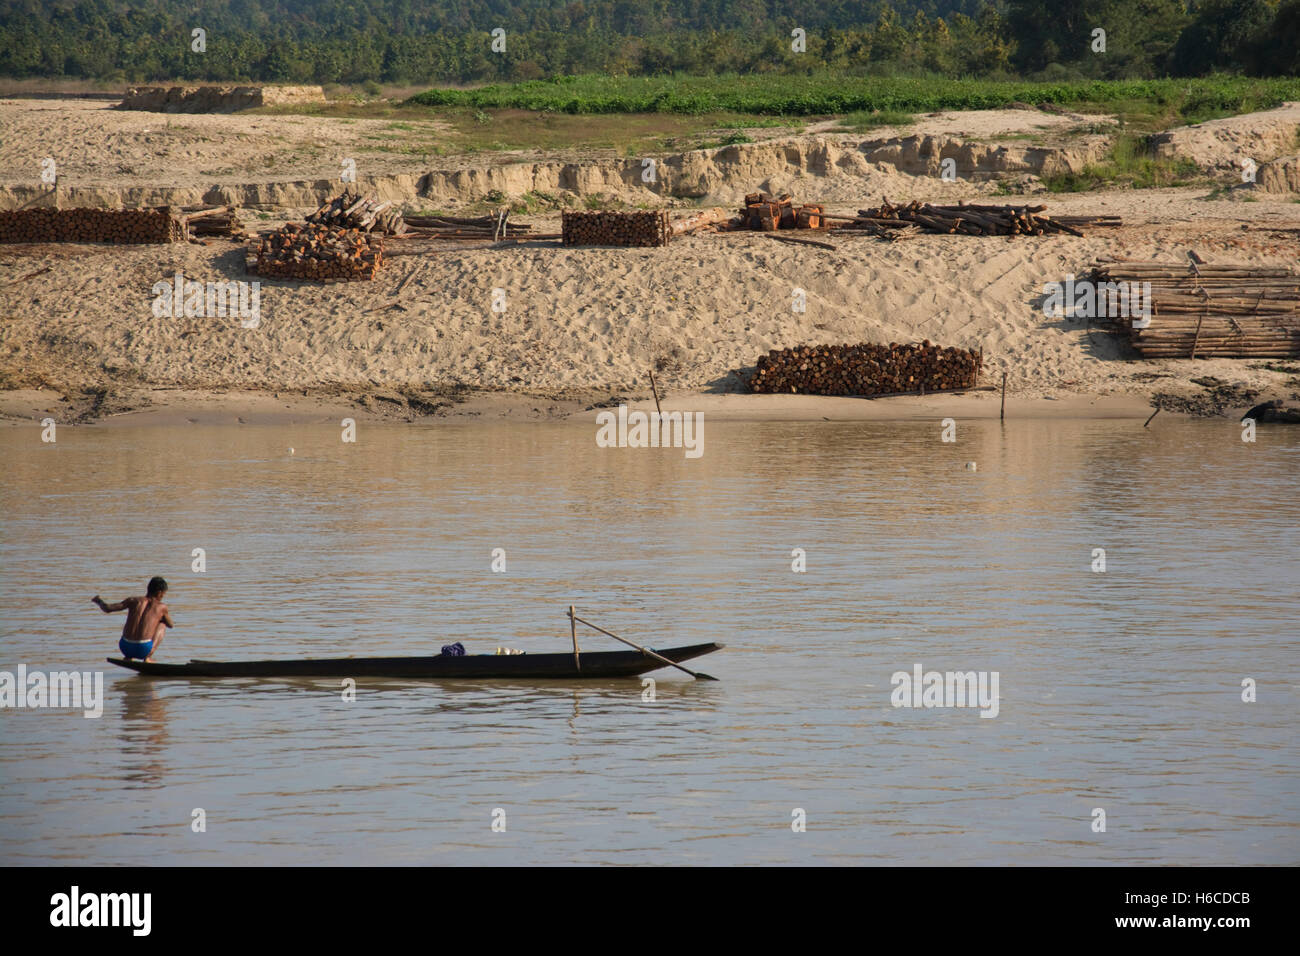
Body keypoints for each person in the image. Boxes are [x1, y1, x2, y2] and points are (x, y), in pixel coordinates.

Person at [93, 577, 174, 662]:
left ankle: (128, 657)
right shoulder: (161, 606)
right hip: (143, 650)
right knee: (162, 625)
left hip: (125, 648)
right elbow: (170, 625)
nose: (162, 596)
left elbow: (107, 608)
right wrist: (159, 619)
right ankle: (148, 658)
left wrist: (98, 601)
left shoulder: (133, 600)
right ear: (159, 592)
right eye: (163, 594)